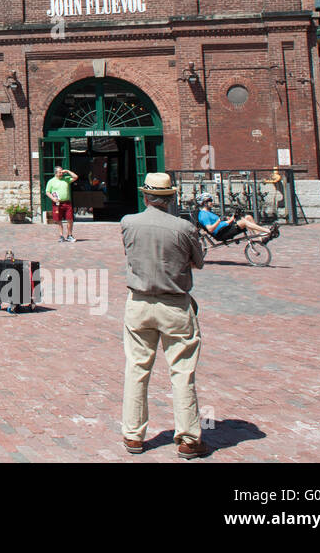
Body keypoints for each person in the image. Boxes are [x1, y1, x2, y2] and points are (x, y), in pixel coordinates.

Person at [120, 173, 208, 459]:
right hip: (175, 306)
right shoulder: (184, 227)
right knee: (182, 372)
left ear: (145, 196)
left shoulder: (128, 223)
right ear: (171, 199)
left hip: (140, 303)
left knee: (136, 368)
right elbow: (199, 262)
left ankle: (133, 436)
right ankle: (188, 439)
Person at [195, 193, 277, 241]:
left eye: (211, 200)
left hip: (225, 228)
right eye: (209, 201)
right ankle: (268, 231)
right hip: (221, 234)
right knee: (244, 222)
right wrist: (219, 220)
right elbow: (210, 229)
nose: (211, 202)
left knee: (248, 217)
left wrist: (232, 217)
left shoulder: (209, 212)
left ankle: (260, 238)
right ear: (203, 203)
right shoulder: (203, 215)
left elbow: (224, 222)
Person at [45, 166, 79, 242]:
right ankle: (61, 236)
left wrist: (67, 171)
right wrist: (53, 198)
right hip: (57, 203)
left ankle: (69, 235)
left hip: (67, 202)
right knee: (58, 220)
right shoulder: (51, 181)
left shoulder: (66, 179)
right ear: (55, 173)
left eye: (62, 172)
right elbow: (47, 192)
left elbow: (75, 177)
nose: (61, 173)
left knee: (70, 219)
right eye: (60, 172)